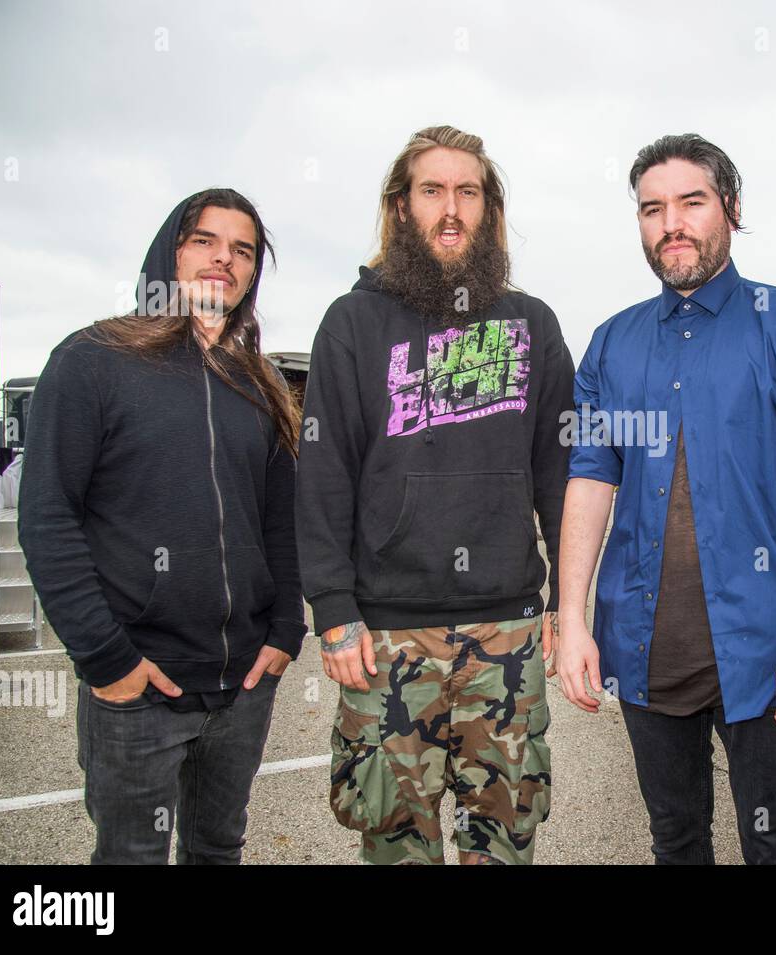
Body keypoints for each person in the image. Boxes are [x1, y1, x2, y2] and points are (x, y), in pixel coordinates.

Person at [557, 133, 776, 864]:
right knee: (675, 839)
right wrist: (572, 619)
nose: (671, 223)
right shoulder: (610, 344)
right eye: (652, 208)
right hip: (643, 650)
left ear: (730, 208)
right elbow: (589, 478)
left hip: (768, 651)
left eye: (691, 202)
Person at [297, 125, 573, 865]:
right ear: (399, 208)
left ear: (489, 210)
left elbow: (561, 476)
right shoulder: (351, 324)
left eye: (468, 192)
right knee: (397, 848)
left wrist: (564, 607)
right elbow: (323, 476)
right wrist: (332, 612)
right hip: (388, 639)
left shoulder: (534, 324)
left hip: (507, 633)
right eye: (432, 191)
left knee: (504, 845)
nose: (451, 209)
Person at [20, 188, 305, 864]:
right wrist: (107, 658)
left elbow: (279, 524)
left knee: (216, 847)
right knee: (130, 858)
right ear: (170, 251)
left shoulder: (259, 383)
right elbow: (47, 518)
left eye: (243, 250)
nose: (223, 259)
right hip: (140, 685)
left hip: (242, 686)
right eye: (205, 240)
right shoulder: (93, 361)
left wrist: (287, 631)